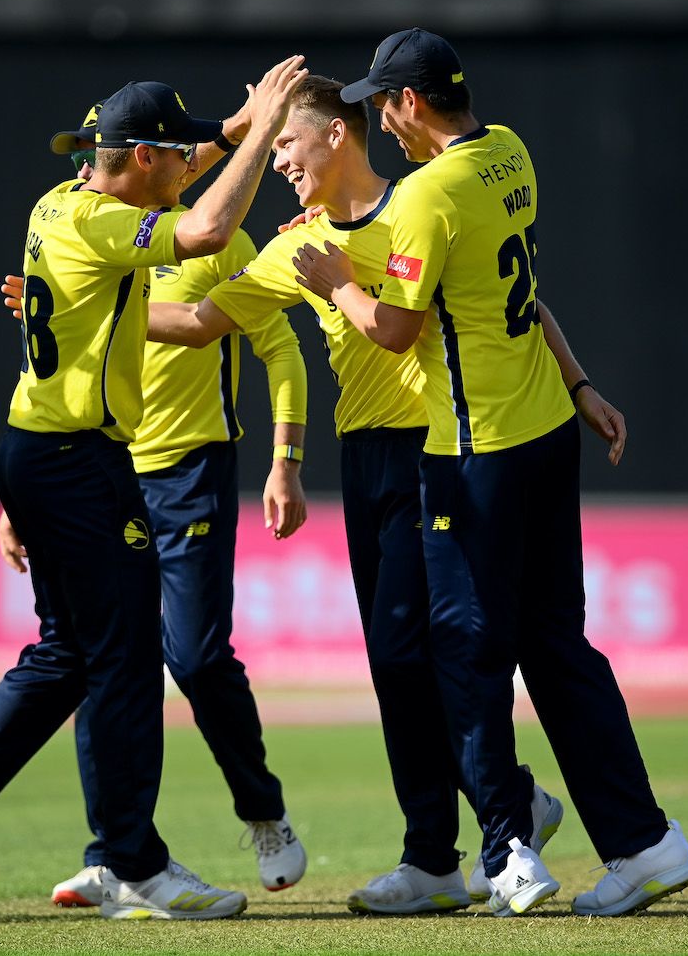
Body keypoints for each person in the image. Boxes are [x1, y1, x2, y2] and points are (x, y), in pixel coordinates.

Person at [148, 75, 603, 915]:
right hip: (368, 464)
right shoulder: (294, 248)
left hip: (443, 452)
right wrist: (83, 304)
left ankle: (494, 841)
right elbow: (200, 321)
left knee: (452, 653)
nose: (278, 159)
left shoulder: (420, 205)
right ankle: (449, 846)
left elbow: (517, 306)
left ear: (337, 136)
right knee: (400, 662)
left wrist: (577, 386)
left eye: (287, 142)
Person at [0, 58, 309, 921]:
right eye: (176, 155)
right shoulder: (112, 223)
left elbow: (172, 200)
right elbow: (205, 236)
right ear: (145, 160)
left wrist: (221, 135)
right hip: (82, 461)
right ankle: (134, 862)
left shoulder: (57, 203)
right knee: (123, 660)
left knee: (71, 655)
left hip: (35, 449)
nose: (188, 167)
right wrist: (260, 131)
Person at [294, 27, 688, 917]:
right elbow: (510, 286)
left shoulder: (428, 195)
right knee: (558, 646)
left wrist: (332, 278)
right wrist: (581, 381)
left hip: (477, 453)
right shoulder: (508, 151)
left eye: (384, 107)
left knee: (463, 655)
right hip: (548, 430)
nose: (384, 126)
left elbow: (394, 329)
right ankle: (645, 843)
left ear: (409, 103)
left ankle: (509, 853)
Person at [0, 100, 309, 908]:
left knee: (196, 658)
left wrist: (286, 462)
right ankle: (115, 855)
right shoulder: (99, 229)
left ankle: (264, 813)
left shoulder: (217, 235)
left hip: (195, 469)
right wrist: (17, 501)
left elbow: (277, 349)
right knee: (108, 663)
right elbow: (54, 361)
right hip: (108, 467)